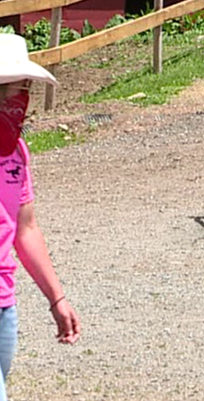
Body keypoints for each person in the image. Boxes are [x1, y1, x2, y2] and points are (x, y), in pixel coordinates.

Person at [0, 34, 81, 400]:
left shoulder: (17, 151)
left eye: (26, 89)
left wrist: (56, 298)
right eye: (18, 90)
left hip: (4, 306)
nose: (24, 102)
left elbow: (25, 228)